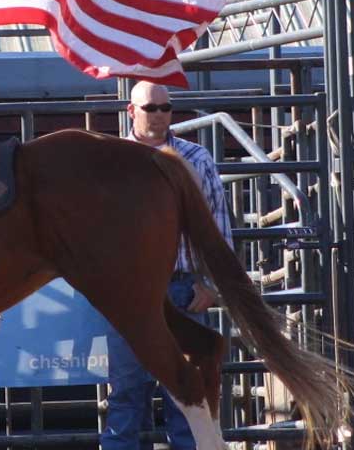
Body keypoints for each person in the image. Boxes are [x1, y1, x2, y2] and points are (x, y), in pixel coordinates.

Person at [101, 82, 233, 450]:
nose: (159, 115)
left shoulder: (196, 159)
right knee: (128, 390)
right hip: (129, 290)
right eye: (150, 108)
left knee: (184, 391)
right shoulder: (109, 160)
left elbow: (217, 225)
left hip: (181, 287)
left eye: (166, 107)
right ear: (132, 111)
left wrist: (209, 284)